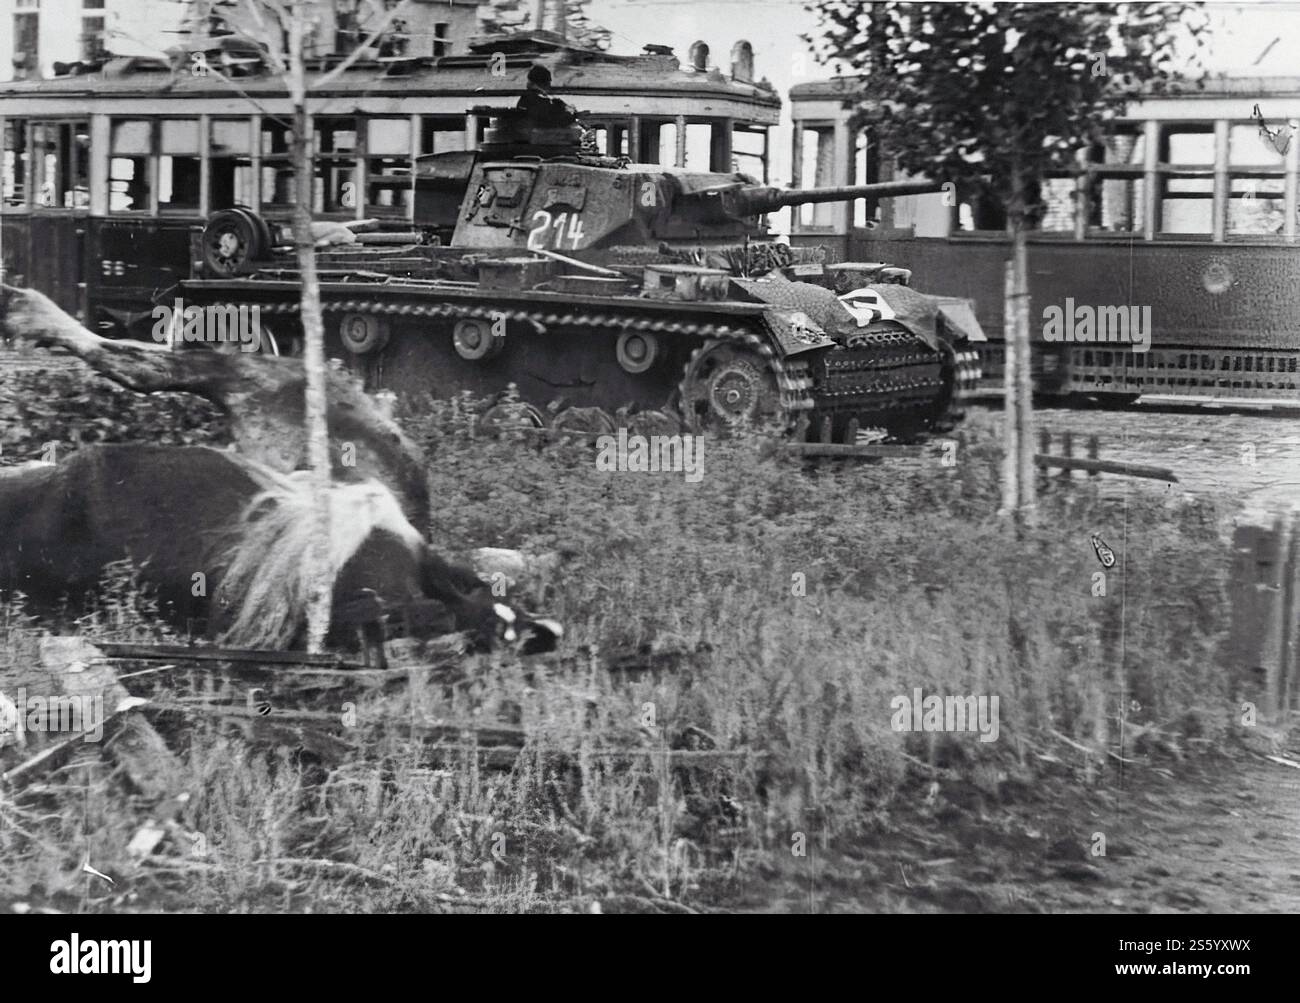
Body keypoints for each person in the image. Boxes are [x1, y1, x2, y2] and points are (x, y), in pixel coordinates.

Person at [516, 64, 579, 129]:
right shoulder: (539, 102)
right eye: (548, 82)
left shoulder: (525, 98)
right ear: (542, 83)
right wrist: (571, 113)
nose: (549, 86)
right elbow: (558, 122)